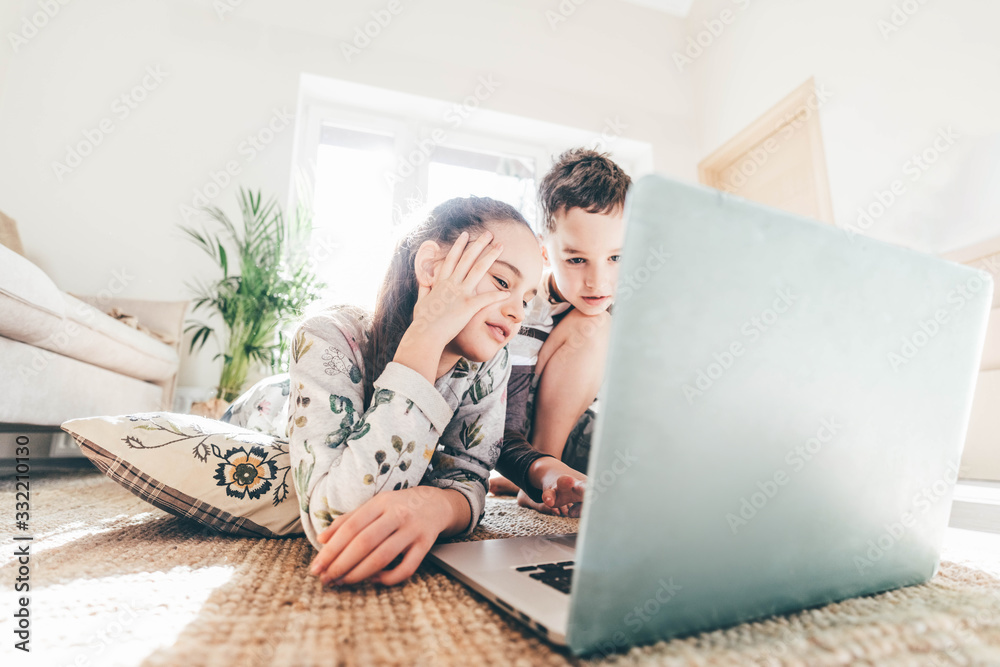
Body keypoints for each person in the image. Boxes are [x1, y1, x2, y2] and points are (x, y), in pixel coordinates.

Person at [280, 196, 586, 587]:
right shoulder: (327, 337)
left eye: (526, 299)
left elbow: (470, 474)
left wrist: (436, 507)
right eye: (502, 282)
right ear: (430, 267)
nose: (518, 312)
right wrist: (426, 336)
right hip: (271, 409)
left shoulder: (490, 363)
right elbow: (335, 520)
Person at [493, 149, 631, 515]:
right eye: (576, 259)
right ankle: (540, 482)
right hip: (535, 442)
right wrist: (533, 468)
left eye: (617, 257)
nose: (598, 281)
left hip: (593, 426)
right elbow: (506, 426)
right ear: (544, 252)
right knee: (591, 325)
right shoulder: (524, 309)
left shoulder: (626, 300)